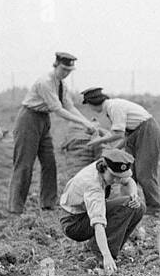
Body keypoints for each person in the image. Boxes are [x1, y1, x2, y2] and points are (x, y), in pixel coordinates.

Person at [9, 52, 100, 214]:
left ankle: (48, 203)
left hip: (44, 119)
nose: (66, 73)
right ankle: (15, 207)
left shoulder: (61, 84)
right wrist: (83, 123)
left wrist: (86, 122)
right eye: (63, 69)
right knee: (25, 164)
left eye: (69, 71)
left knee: (49, 162)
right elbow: (58, 109)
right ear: (56, 65)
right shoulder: (45, 82)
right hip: (29, 119)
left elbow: (69, 106)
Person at [58, 147, 146, 276]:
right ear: (104, 168)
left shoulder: (107, 167)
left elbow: (129, 181)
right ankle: (100, 255)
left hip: (84, 215)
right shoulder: (93, 185)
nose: (117, 181)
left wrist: (134, 194)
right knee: (125, 206)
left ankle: (103, 248)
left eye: (119, 177)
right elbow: (98, 224)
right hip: (73, 223)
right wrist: (106, 256)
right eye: (114, 177)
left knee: (138, 207)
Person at [78, 88, 160, 217]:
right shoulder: (110, 109)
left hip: (147, 132)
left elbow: (118, 134)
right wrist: (113, 151)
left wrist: (98, 141)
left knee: (144, 173)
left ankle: (154, 208)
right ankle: (128, 204)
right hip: (134, 134)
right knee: (128, 172)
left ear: (92, 103)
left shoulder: (114, 107)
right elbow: (125, 135)